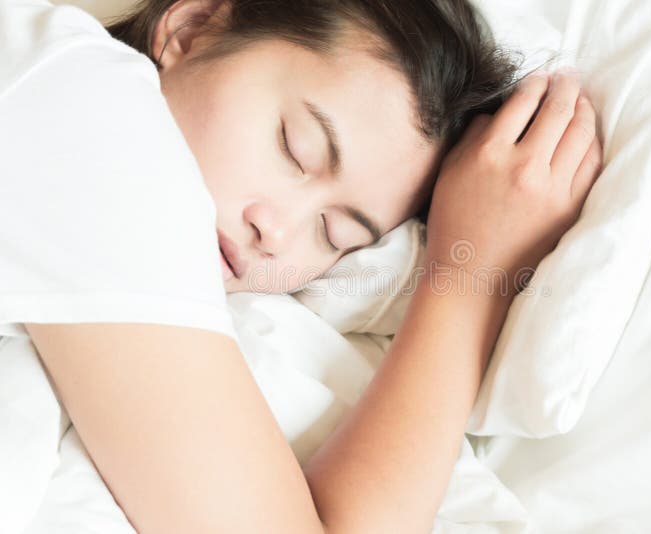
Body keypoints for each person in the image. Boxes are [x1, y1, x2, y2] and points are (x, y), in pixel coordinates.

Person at [0, 0, 602, 532]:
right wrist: (468, 281)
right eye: (296, 147)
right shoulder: (78, 93)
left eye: (334, 233)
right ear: (192, 26)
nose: (278, 232)